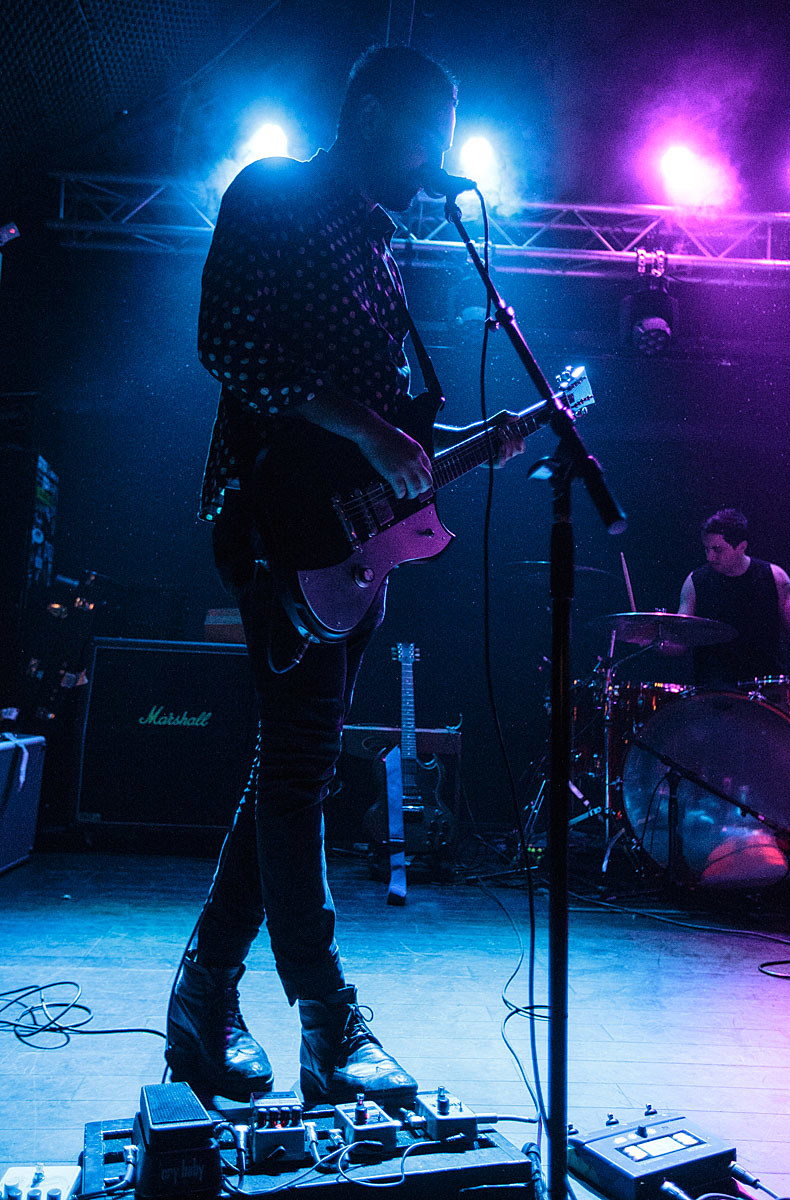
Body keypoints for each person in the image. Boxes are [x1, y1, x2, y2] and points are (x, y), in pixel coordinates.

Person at [164, 44, 524, 1109]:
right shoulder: (273, 193)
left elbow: (386, 434)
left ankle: (203, 998)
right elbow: (229, 346)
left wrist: (460, 442)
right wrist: (367, 429)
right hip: (275, 522)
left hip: (355, 544)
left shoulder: (382, 244)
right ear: (367, 112)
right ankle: (327, 1019)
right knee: (296, 768)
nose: (434, 163)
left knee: (299, 767)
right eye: (425, 139)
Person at [678, 507, 790, 689]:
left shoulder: (775, 577)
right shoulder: (695, 581)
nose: (710, 557)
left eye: (717, 549)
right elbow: (679, 642)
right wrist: (655, 638)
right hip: (713, 691)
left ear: (742, 547)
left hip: (766, 691)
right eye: (706, 549)